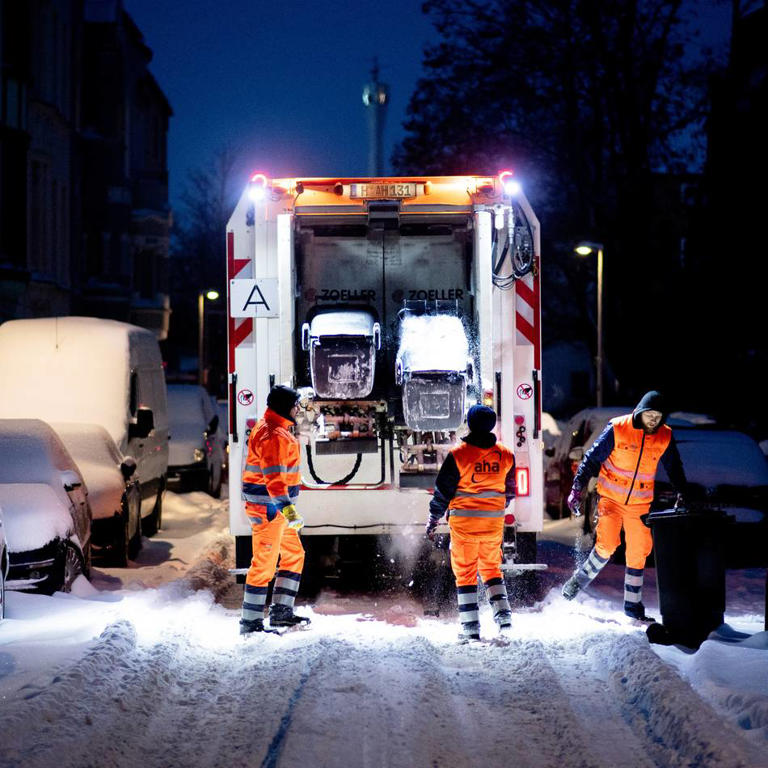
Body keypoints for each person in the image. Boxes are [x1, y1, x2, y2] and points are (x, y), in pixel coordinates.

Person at [561, 390, 687, 620]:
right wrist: (577, 488)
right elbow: (591, 458)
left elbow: (674, 467)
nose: (653, 420)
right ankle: (577, 582)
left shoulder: (664, 436)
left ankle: (633, 608)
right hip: (611, 499)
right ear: (640, 411)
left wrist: (683, 491)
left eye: (658, 417)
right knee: (607, 546)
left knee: (639, 552)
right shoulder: (618, 428)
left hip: (640, 504)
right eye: (650, 415)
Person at [425, 404, 516, 641]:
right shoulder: (506, 455)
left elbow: (442, 492)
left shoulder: (459, 455)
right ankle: (504, 619)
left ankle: (470, 628)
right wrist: (494, 509)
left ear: (470, 423)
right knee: (491, 570)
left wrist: (433, 518)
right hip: (493, 527)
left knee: (465, 574)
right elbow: (510, 491)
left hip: (465, 527)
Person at [239, 385, 310, 635]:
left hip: (275, 511)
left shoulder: (273, 428)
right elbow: (274, 480)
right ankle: (250, 624)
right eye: (295, 405)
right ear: (284, 407)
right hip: (270, 511)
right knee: (264, 565)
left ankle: (281, 613)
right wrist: (288, 511)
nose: (298, 409)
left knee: (294, 555)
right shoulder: (274, 435)